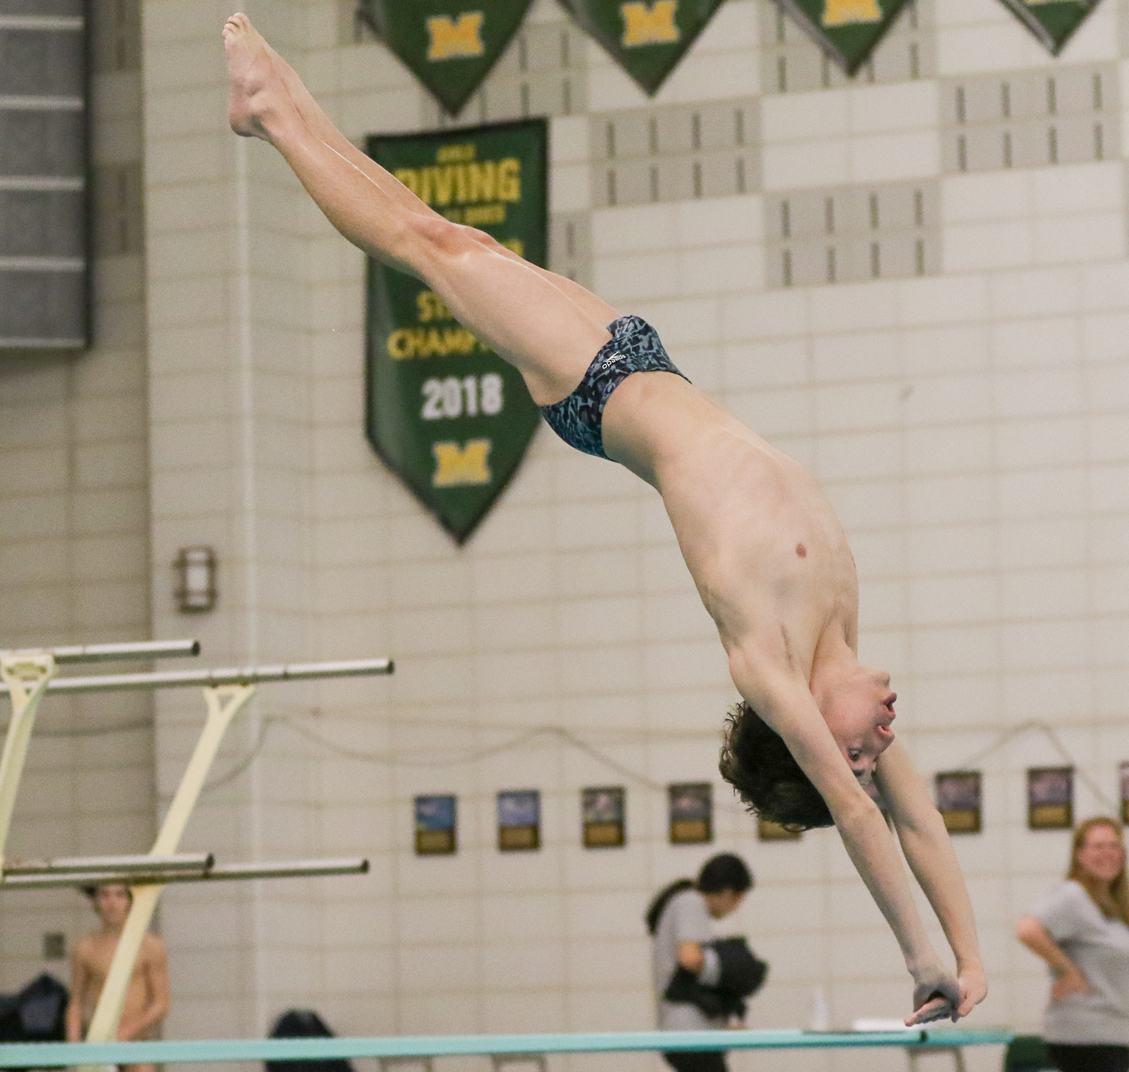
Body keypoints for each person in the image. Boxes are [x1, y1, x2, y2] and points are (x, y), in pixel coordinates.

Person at [220, 12, 985, 1025]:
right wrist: (972, 960)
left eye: (865, 745)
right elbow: (921, 822)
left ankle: (272, 111)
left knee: (430, 242)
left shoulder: (769, 657)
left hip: (593, 392)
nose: (888, 733)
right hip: (645, 359)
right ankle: (273, 105)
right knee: (453, 241)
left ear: (816, 743)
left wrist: (921, 958)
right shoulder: (839, 639)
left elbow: (864, 812)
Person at [1016, 818, 1129, 1072]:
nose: (1107, 854)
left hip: (1113, 1034)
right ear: (1080, 855)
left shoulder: (1114, 907)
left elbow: (1118, 982)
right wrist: (1068, 969)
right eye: (1098, 846)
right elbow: (1027, 929)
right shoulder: (1073, 896)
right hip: (1085, 1035)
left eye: (1113, 846)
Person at [646, 854, 754, 1072]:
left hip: (684, 1033)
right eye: (737, 900)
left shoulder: (682, 902)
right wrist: (731, 969)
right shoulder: (691, 902)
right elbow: (690, 958)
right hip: (689, 1035)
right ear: (727, 892)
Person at [65, 884, 170, 1072]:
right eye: (104, 895)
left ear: (130, 902)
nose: (112, 903)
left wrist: (126, 1031)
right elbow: (76, 1003)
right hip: (99, 1042)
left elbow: (161, 1004)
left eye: (120, 895)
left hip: (138, 1042)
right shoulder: (85, 949)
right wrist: (74, 1045)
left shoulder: (150, 946)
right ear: (95, 902)